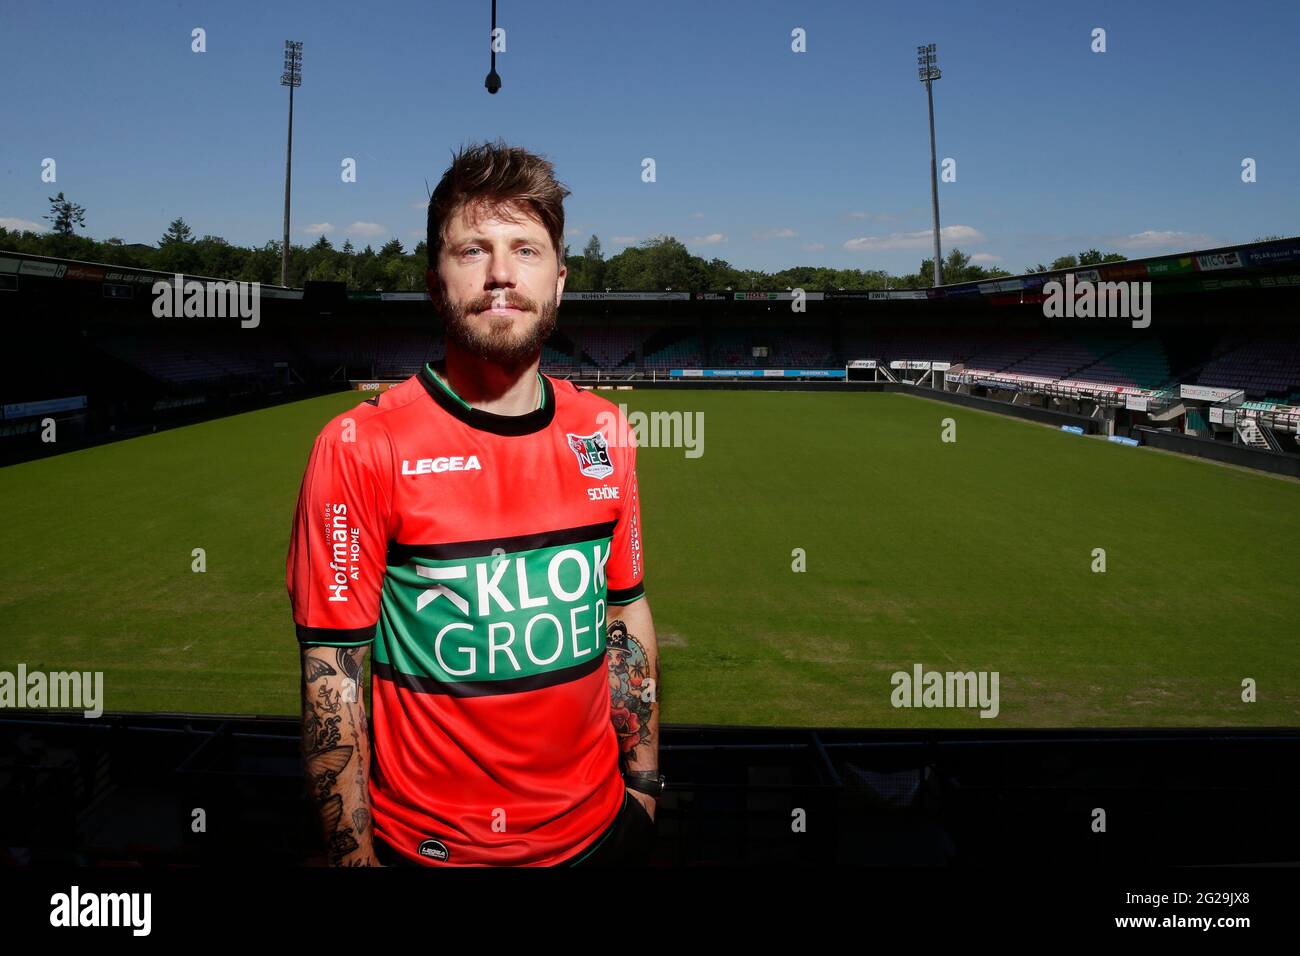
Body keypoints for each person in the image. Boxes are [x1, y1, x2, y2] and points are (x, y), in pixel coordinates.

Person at [287, 140, 663, 867]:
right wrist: (354, 861)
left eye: (525, 249)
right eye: (472, 251)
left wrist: (643, 783)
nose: (500, 274)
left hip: (602, 834)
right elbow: (333, 675)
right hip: (428, 853)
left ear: (559, 280)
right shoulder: (360, 446)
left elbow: (625, 612)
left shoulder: (606, 432)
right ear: (435, 285)